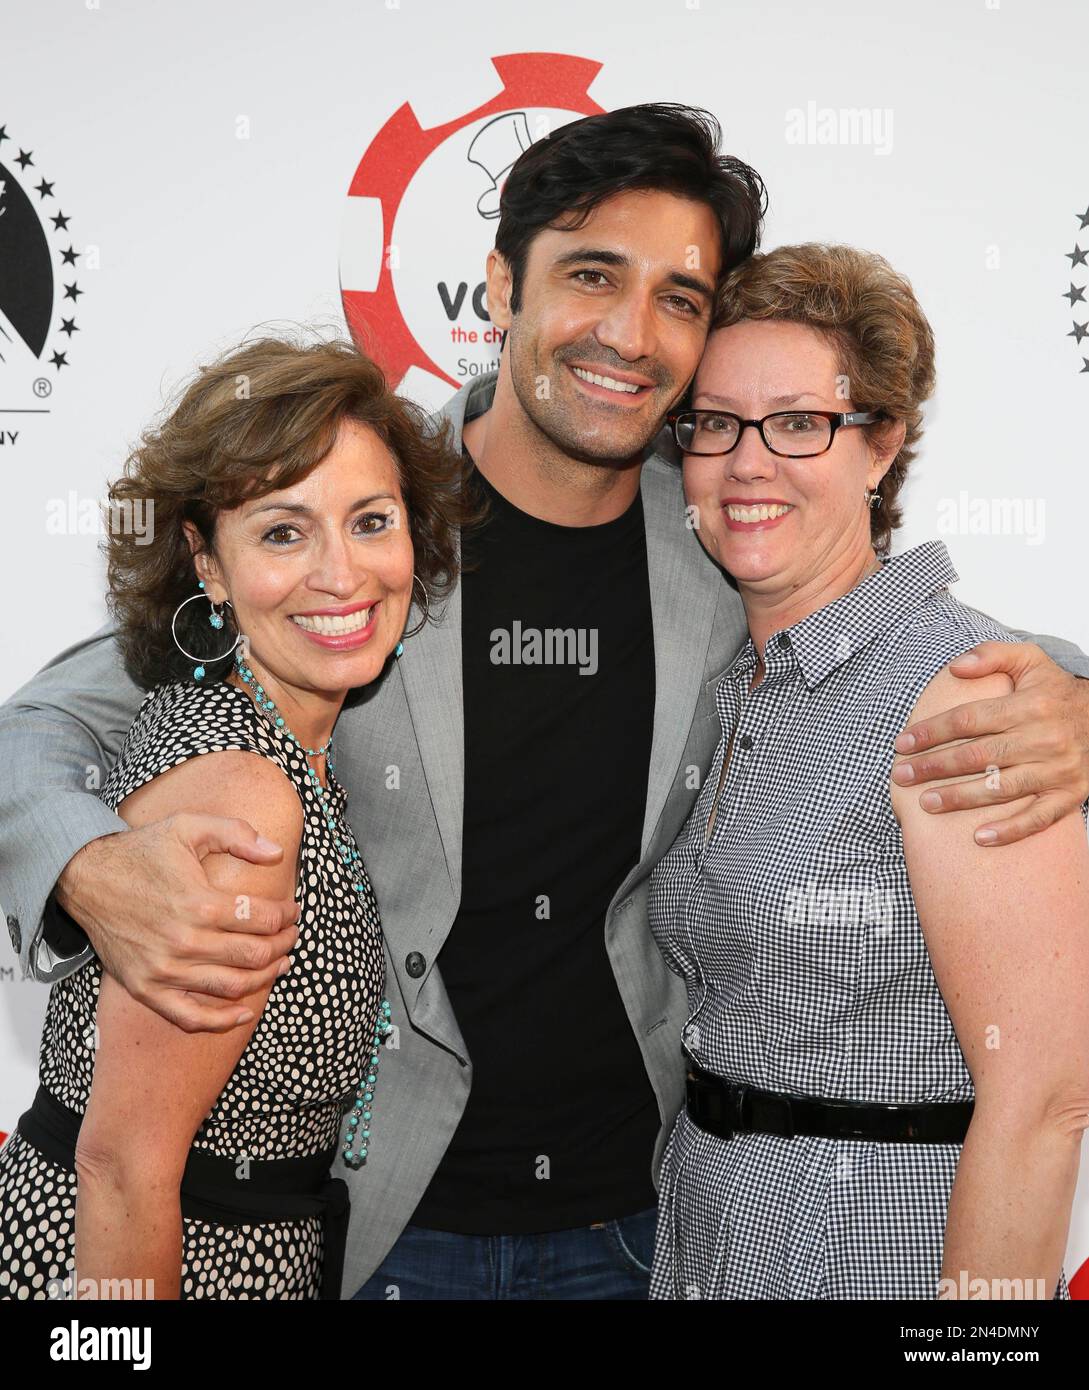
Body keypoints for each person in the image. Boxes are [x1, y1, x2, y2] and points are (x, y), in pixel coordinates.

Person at [2, 106, 1088, 1302]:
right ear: (500, 287)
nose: (632, 331)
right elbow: (52, 721)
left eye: (681, 296)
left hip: (637, 1222)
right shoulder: (365, 514)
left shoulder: (727, 526)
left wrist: (1081, 701)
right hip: (382, 1218)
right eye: (591, 275)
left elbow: (907, 640)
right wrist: (82, 866)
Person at [647, 243, 1089, 1300]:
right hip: (709, 1238)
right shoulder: (729, 681)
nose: (749, 463)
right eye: (716, 423)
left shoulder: (963, 693)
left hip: (875, 1250)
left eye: (801, 423)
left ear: (881, 442)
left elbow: (1043, 1097)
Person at [0, 335, 473, 1299]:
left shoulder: (276, 739)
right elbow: (123, 1169)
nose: (341, 574)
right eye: (283, 532)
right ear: (205, 563)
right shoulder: (245, 793)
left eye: (371, 521)